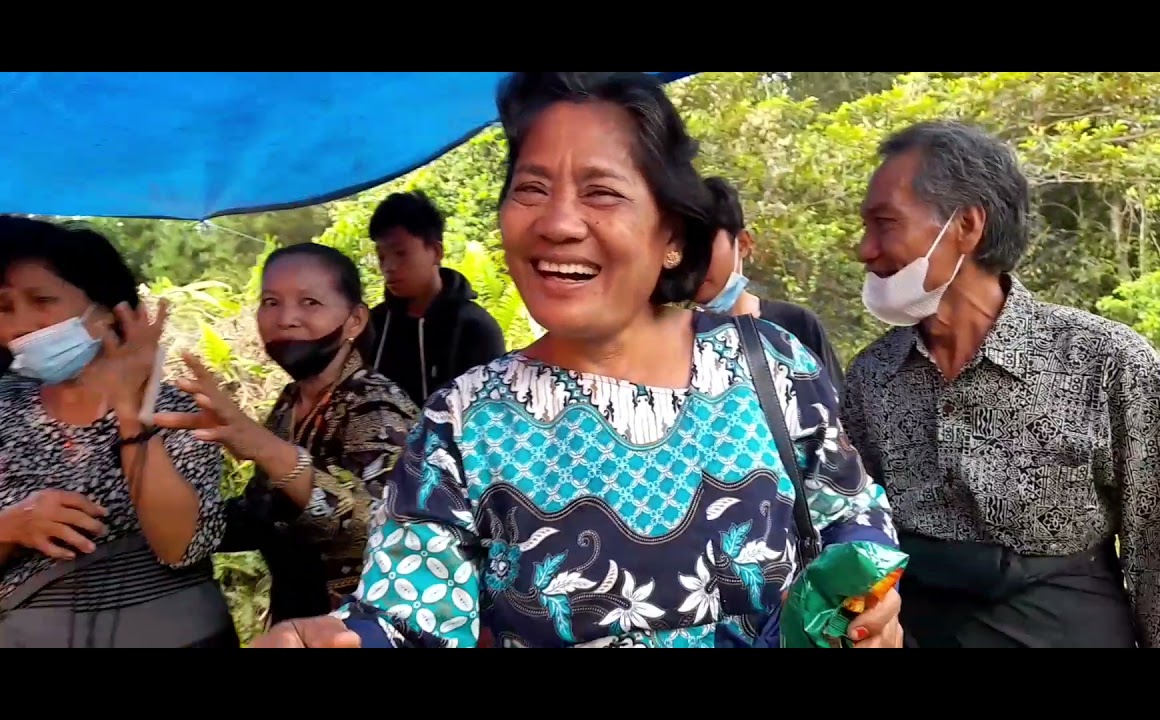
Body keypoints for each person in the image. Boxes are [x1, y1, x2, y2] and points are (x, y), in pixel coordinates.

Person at [251, 71, 902, 649]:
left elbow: (852, 511)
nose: (558, 222)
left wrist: (868, 603)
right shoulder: (464, 423)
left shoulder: (770, 365)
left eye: (601, 192)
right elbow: (409, 621)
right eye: (531, 188)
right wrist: (344, 638)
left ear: (671, 236)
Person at [841, 120, 1160, 648]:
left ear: (967, 225)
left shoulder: (1107, 363)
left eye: (884, 223)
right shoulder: (873, 376)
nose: (865, 249)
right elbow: (860, 536)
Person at [153, 243, 419, 623]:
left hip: (363, 628)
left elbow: (378, 524)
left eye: (309, 302)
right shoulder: (291, 401)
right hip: (296, 620)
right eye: (271, 302)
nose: (285, 318)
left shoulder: (375, 404)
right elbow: (263, 513)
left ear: (355, 321)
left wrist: (262, 446)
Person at [0, 217, 233, 647]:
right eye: (4, 308)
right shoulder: (5, 409)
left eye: (42, 300)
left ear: (109, 313)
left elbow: (181, 547)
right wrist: (11, 527)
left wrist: (131, 413)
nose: (21, 324)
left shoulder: (177, 411)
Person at [693, 176, 845, 394]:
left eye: (703, 246)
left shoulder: (796, 326)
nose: (693, 262)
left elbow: (839, 414)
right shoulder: (674, 341)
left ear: (743, 245)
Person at [367, 190, 507, 406]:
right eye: (381, 256)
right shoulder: (374, 325)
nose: (388, 267)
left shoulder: (474, 329)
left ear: (436, 251)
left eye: (401, 253)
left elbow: (488, 413)